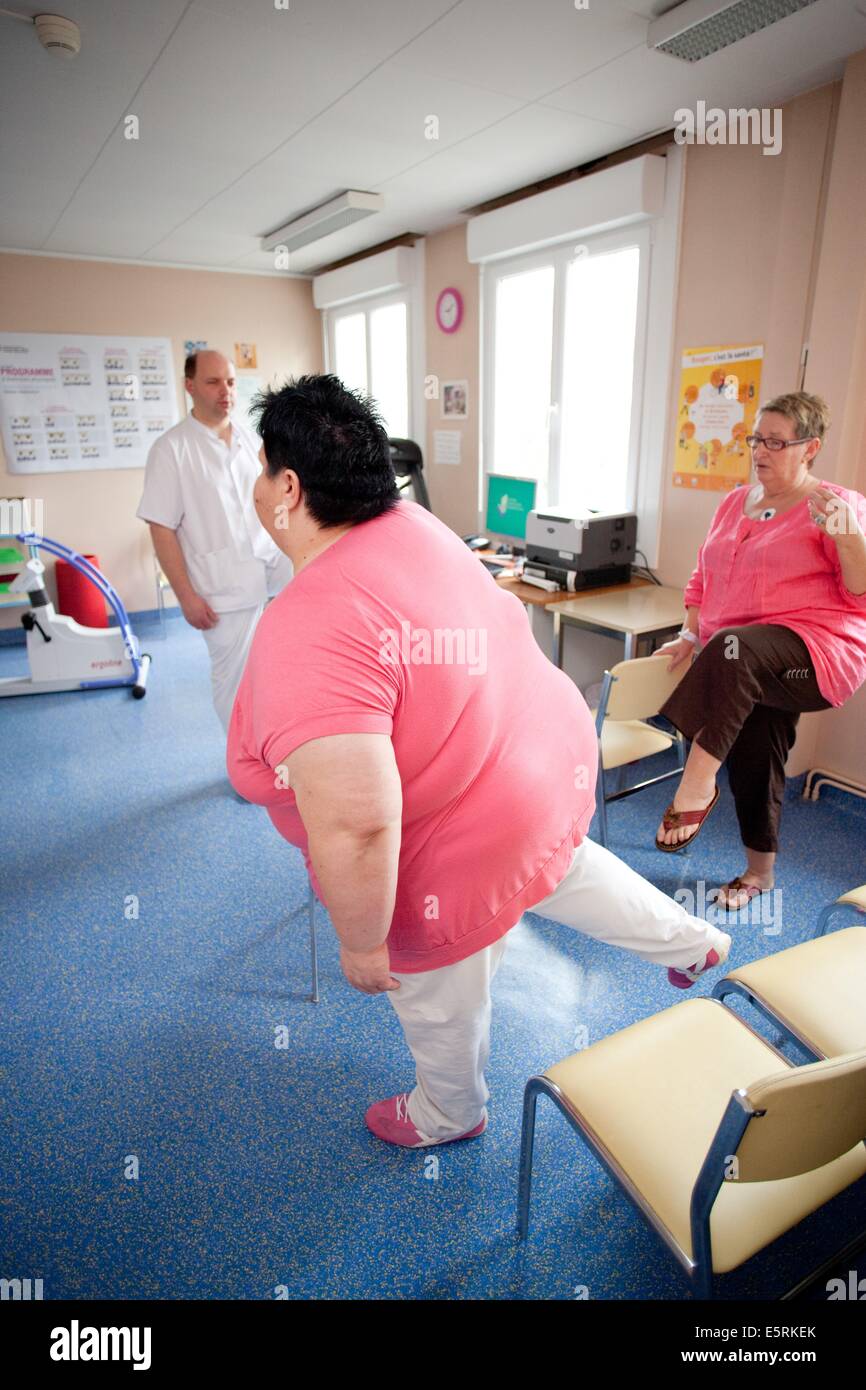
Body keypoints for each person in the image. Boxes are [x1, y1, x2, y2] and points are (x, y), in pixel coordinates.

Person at [226, 374, 731, 1150]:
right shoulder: (417, 525)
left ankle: (449, 1112)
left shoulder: (307, 627)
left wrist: (364, 941)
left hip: (456, 841)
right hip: (539, 767)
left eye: (263, 470)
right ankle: (693, 943)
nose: (258, 487)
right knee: (563, 870)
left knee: (441, 993)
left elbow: (360, 827)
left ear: (289, 486)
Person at [654, 392, 866, 908]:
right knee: (756, 752)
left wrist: (850, 539)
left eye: (776, 441)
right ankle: (759, 875)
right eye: (756, 439)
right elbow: (704, 576)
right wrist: (687, 632)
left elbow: (859, 591)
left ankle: (696, 787)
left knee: (732, 649)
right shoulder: (733, 502)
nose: (760, 450)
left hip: (814, 655)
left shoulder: (837, 505)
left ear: (809, 447)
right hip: (741, 663)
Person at [137, 350, 293, 733]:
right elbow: (161, 527)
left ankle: (274, 756)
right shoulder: (171, 449)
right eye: (213, 382)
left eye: (231, 381)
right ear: (189, 386)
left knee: (276, 673)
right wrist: (186, 597)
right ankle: (244, 769)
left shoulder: (249, 436)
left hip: (274, 572)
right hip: (223, 586)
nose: (225, 391)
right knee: (234, 685)